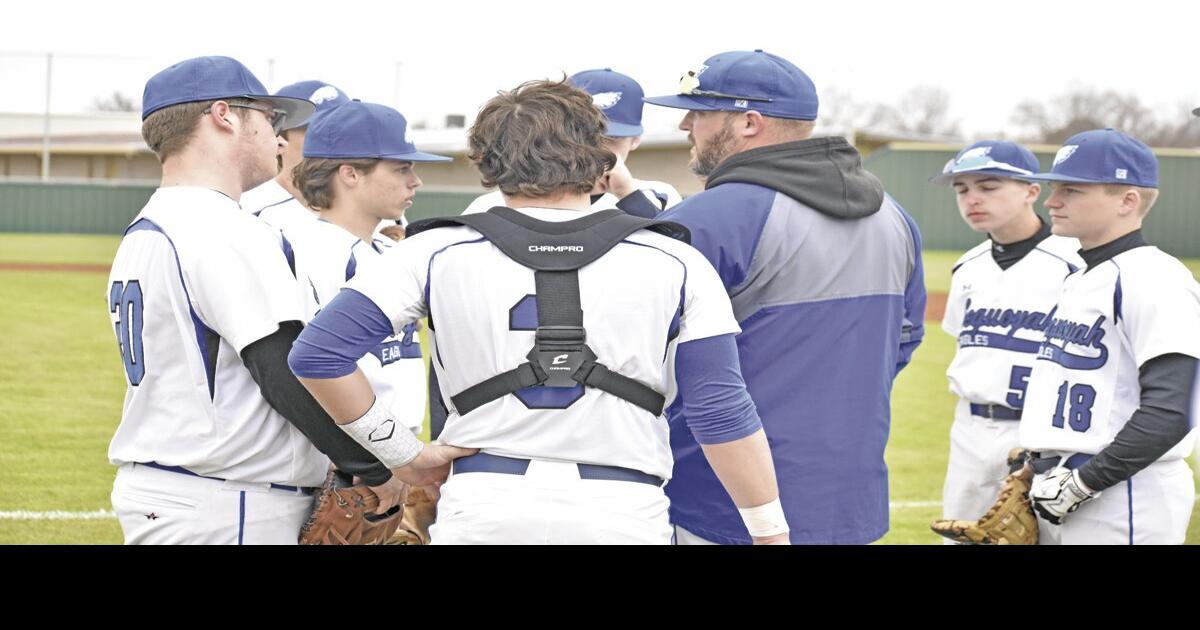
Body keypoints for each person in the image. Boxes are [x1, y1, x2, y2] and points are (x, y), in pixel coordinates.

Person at [288, 78, 788, 545]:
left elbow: (317, 355)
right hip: (621, 509)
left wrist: (406, 455)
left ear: (486, 161)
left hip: (484, 506)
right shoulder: (675, 259)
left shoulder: (433, 250)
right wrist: (768, 531)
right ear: (599, 160)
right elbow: (719, 408)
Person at [105, 56, 448, 545]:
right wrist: (375, 466)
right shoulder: (219, 225)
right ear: (224, 115)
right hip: (226, 502)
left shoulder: (152, 224)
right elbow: (282, 363)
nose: (278, 136)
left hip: (186, 488)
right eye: (269, 118)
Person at [643, 49, 927, 545]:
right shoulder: (894, 216)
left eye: (701, 111)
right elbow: (904, 341)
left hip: (721, 503)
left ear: (749, 123)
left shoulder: (705, 219)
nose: (687, 124)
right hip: (848, 502)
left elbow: (638, 362)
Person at [1017, 128, 1200, 544]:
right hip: (1065, 487)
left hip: (1124, 494)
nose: (1051, 201)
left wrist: (1084, 482)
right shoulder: (1083, 276)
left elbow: (1173, 408)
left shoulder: (1155, 279)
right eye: (1053, 188)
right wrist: (1036, 462)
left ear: (1127, 200)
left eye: (1072, 190)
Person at [928, 140, 1082, 532]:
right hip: (971, 428)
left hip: (1043, 431)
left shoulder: (1075, 263)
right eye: (962, 189)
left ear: (1032, 191)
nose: (972, 199)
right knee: (963, 535)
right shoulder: (968, 266)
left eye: (989, 186)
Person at [285, 100, 450, 437]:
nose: (415, 181)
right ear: (350, 173)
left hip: (398, 446)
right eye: (401, 168)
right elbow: (309, 374)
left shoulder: (387, 248)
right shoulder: (313, 252)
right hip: (358, 457)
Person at [461, 68, 681, 218]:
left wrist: (630, 197)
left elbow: (676, 256)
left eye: (612, 139)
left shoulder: (658, 195)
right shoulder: (498, 202)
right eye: (590, 138)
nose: (599, 150)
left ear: (636, 140)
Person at [240, 80, 350, 231]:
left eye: (344, 131)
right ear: (278, 137)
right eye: (318, 131)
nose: (337, 141)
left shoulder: (364, 214)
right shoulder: (250, 212)